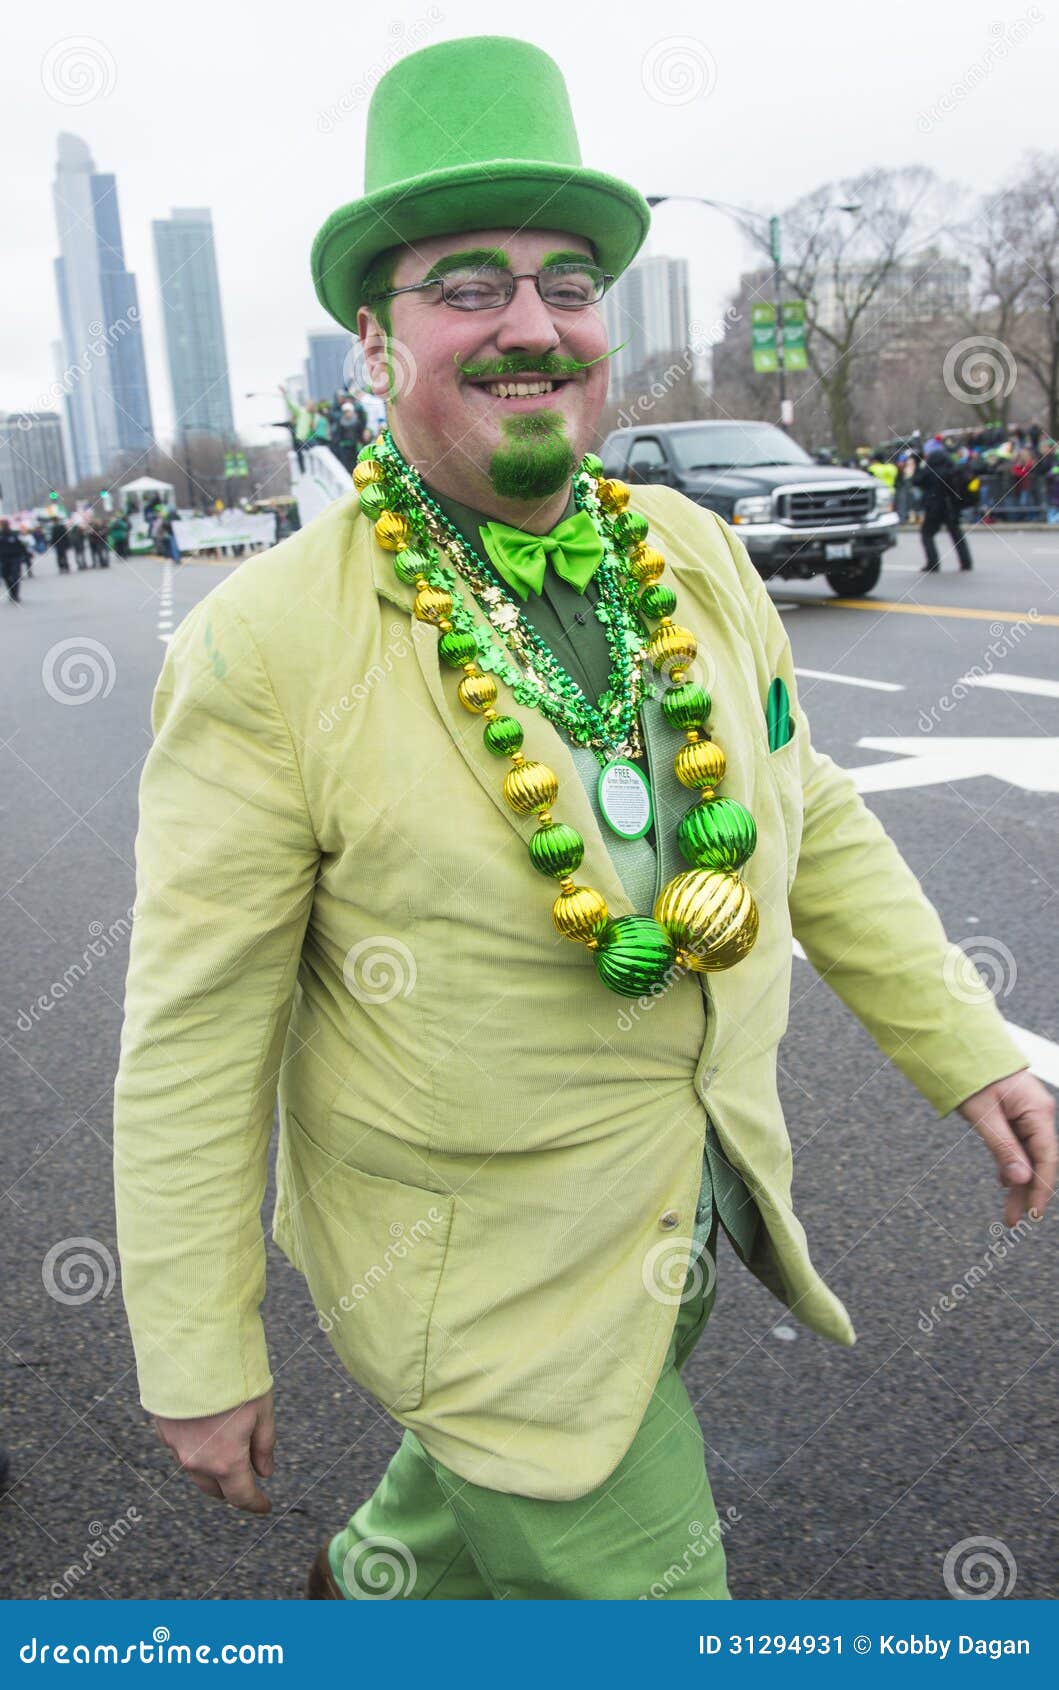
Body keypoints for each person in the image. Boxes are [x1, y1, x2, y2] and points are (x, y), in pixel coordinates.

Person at [112, 35, 1055, 1603]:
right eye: (467, 286)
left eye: (568, 283)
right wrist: (196, 1345)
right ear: (371, 334)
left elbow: (802, 812)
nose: (531, 326)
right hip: (479, 1285)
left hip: (686, 1207)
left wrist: (965, 1046)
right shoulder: (265, 642)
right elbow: (194, 1030)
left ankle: (380, 1582)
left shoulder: (687, 550)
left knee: (478, 1515)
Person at [914, 445, 974, 571]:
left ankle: (933, 563)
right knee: (957, 535)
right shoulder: (952, 470)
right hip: (951, 507)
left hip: (934, 508)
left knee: (927, 534)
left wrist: (917, 462)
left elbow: (916, 480)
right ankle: (966, 562)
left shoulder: (930, 471)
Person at [0, 518, 30, 603]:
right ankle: (11, 593)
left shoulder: (14, 534)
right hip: (3, 559)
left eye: (5, 524)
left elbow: (22, 545)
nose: (4, 526)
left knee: (15, 576)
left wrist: (26, 555)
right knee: (6, 577)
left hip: (15, 558)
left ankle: (15, 594)